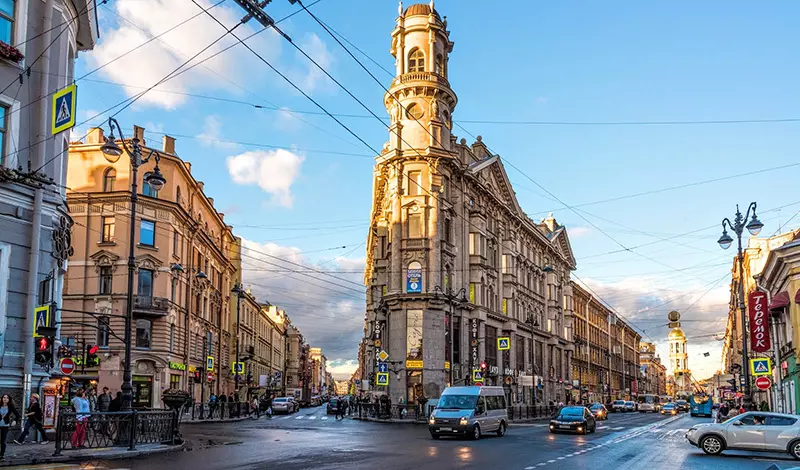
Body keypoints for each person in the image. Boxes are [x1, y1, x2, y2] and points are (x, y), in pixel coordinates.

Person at [0, 394, 20, 461]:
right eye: (4, 397)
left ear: (9, 399)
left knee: (3, 441)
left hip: (5, 425)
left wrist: (15, 421)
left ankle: (1, 455)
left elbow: (17, 415)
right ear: (2, 398)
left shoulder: (10, 406)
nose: (5, 399)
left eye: (7, 398)